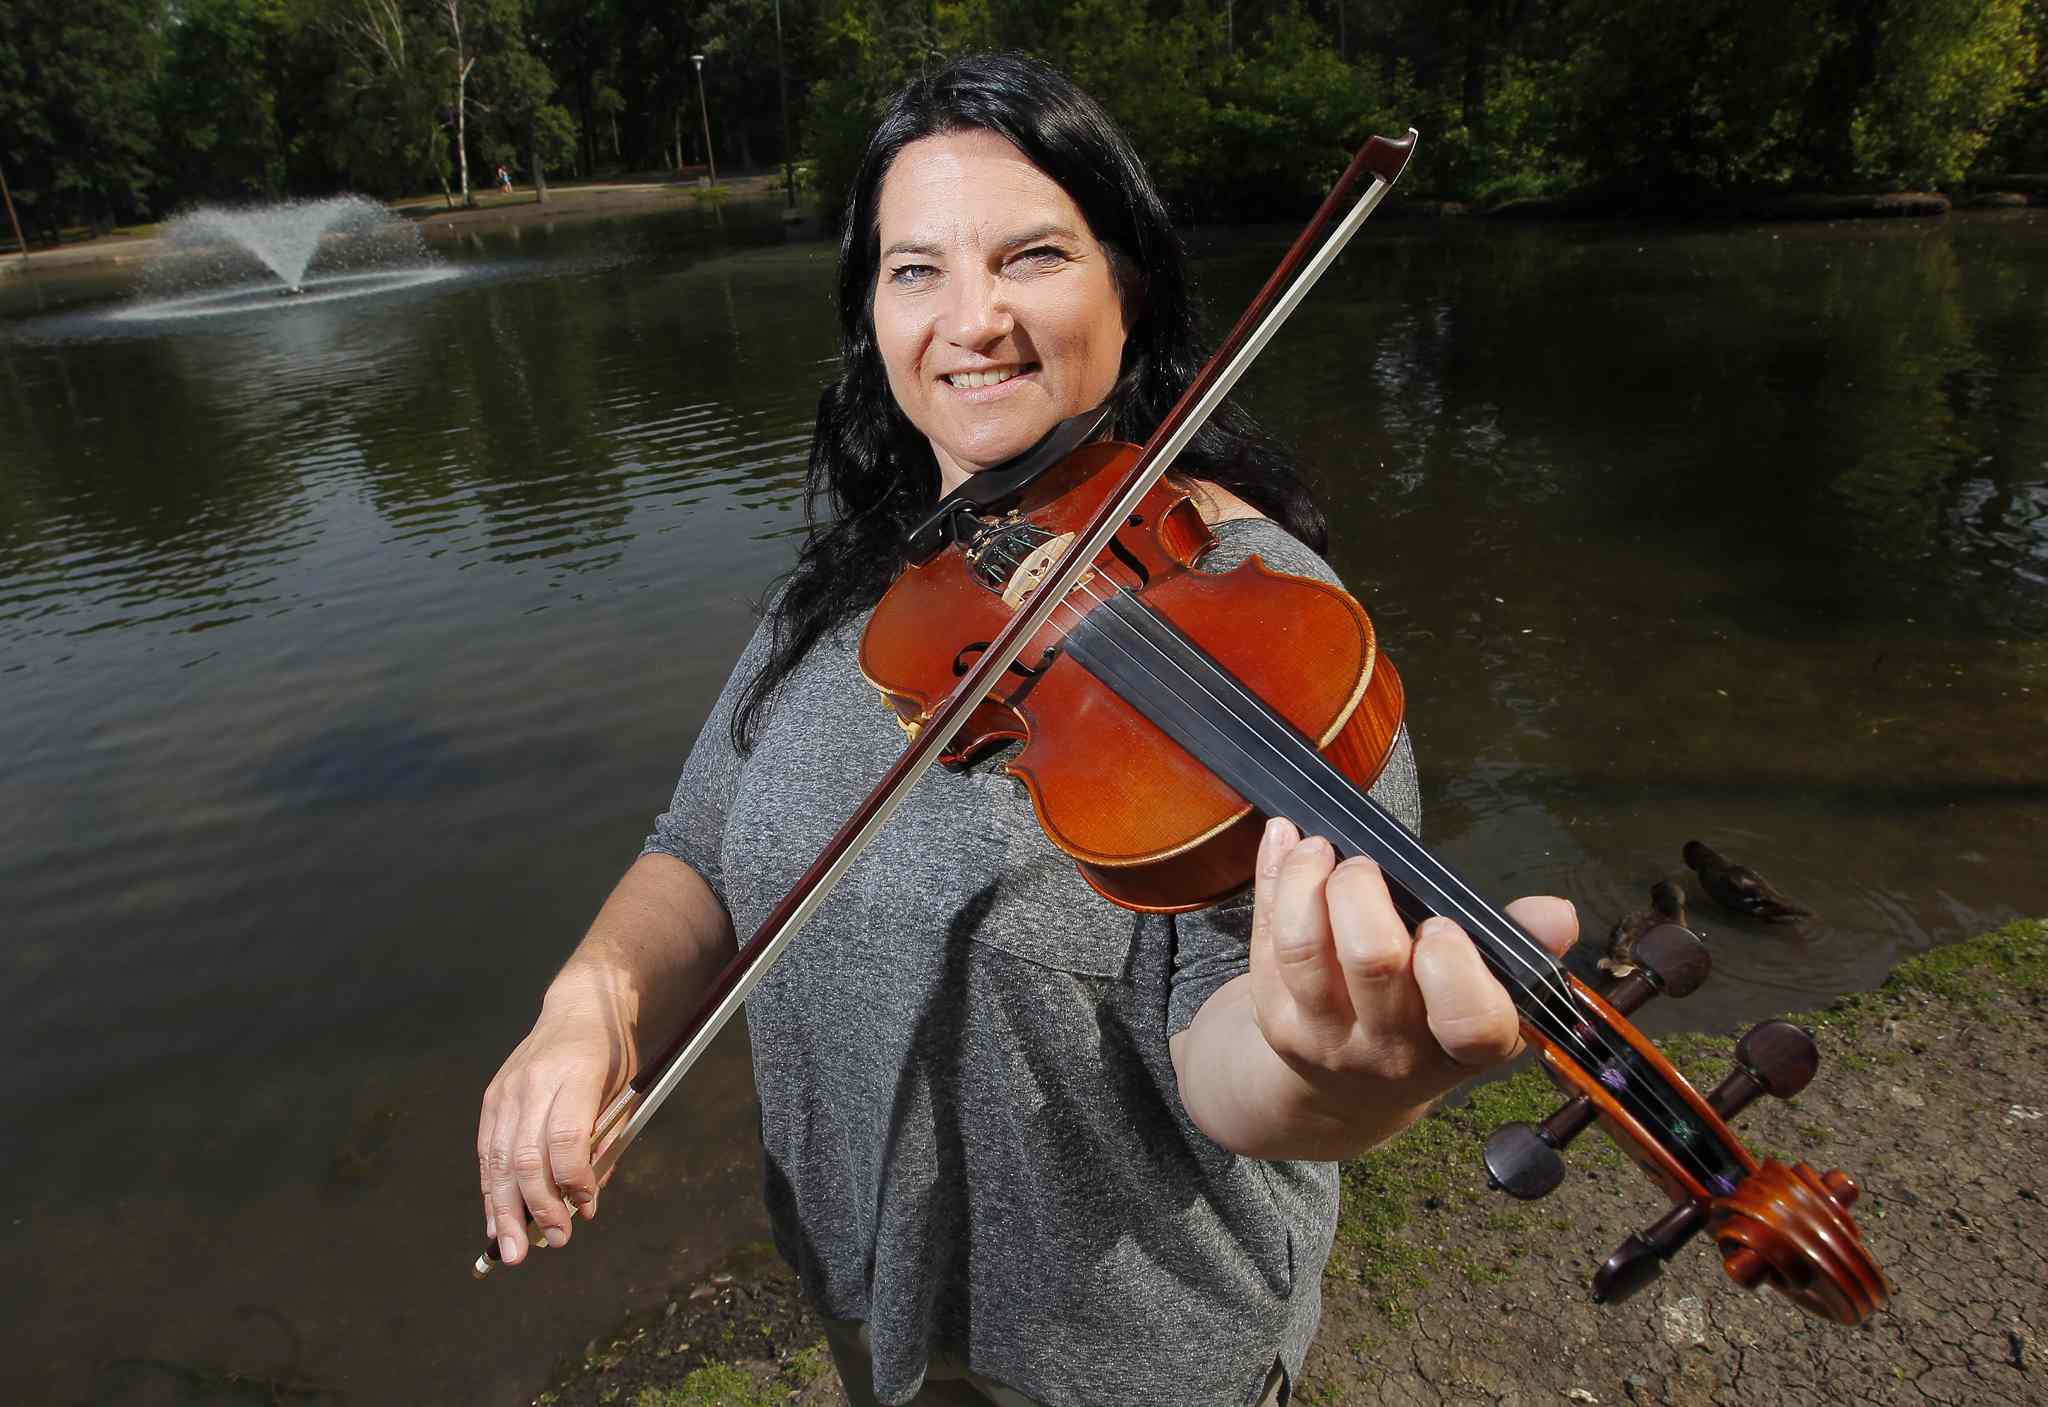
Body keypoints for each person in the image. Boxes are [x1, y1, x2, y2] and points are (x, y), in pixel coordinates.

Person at [476, 52, 1576, 1407]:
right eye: (915, 268)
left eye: (1034, 256)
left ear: (1130, 282)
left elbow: (1230, 1056)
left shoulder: (1270, 638)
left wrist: (1325, 1076)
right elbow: (698, 845)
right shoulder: (873, 576)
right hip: (874, 1318)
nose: (971, 320)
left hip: (1125, 1367)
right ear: (870, 309)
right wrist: (592, 1003)